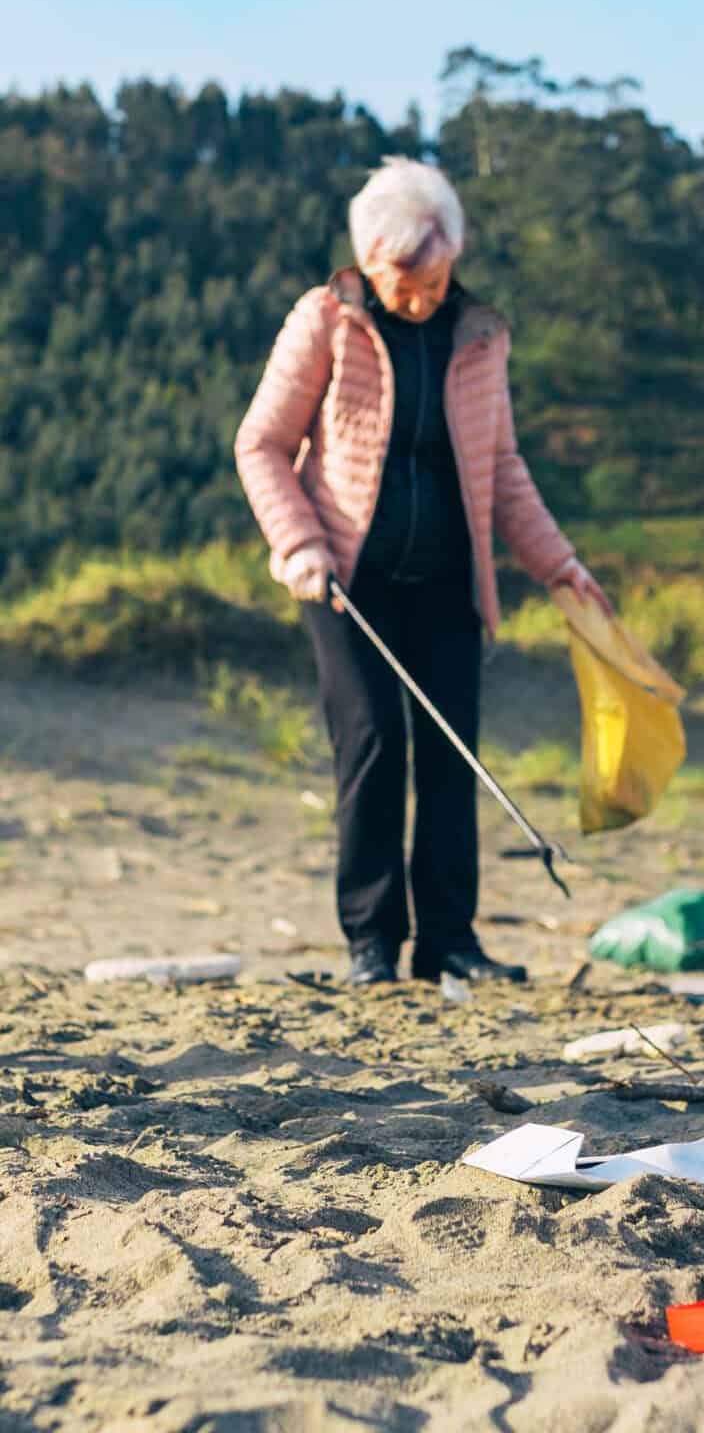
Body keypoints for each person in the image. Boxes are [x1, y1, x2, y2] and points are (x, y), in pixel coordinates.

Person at [237, 157, 610, 988]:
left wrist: (559, 564)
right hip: (343, 577)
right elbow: (260, 444)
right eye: (404, 282)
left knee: (451, 758)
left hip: (447, 581)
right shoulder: (324, 320)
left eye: (435, 280)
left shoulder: (479, 333)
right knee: (372, 741)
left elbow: (502, 466)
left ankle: (449, 942)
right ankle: (371, 940)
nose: (420, 298)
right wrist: (300, 547)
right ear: (370, 261)